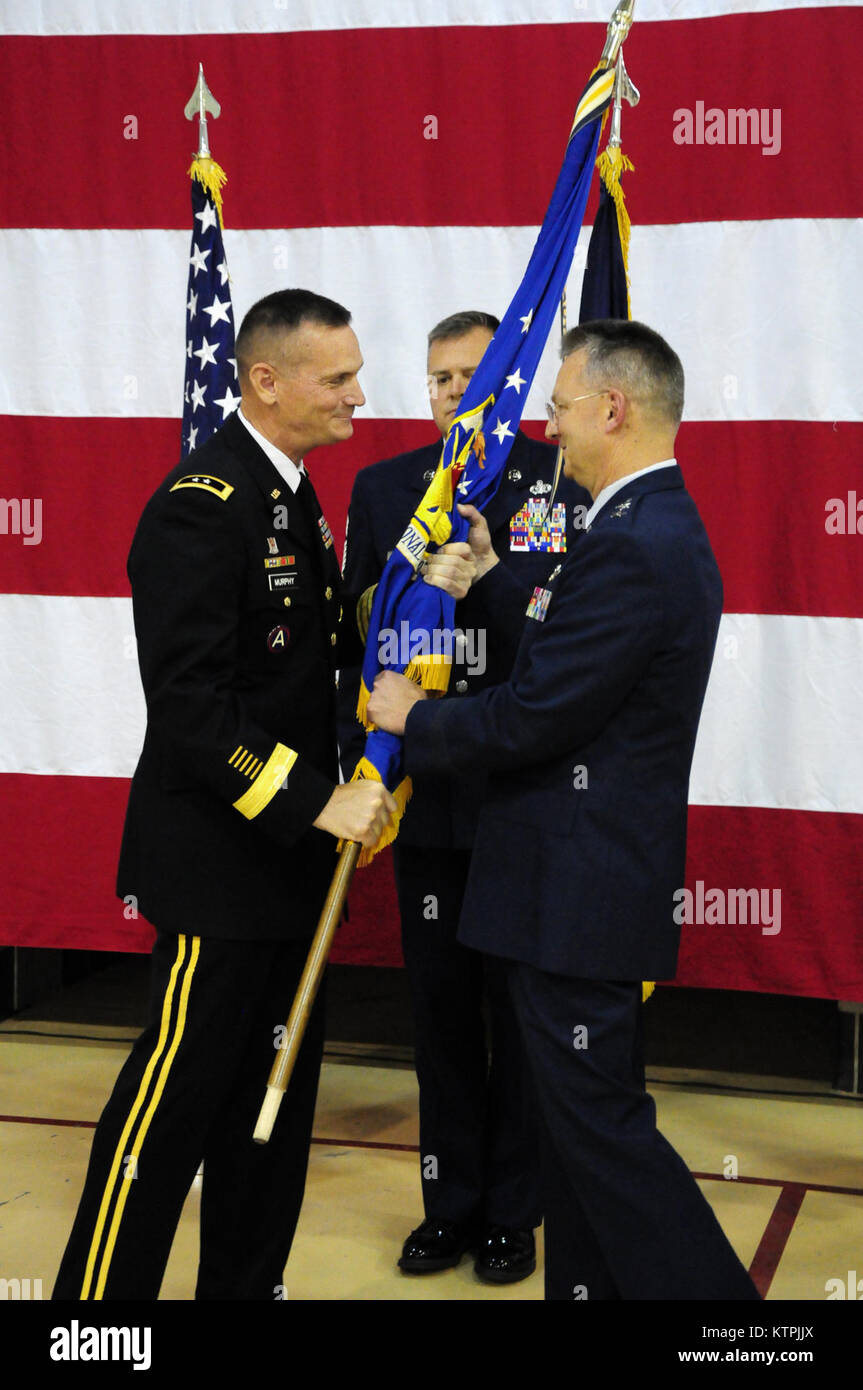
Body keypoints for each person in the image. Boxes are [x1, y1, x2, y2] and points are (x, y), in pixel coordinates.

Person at [52, 288, 472, 1302]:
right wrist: (311, 802)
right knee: (162, 1126)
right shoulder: (204, 503)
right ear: (265, 380)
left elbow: (316, 651)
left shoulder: (290, 496)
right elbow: (191, 709)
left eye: (358, 373)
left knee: (266, 1122)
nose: (360, 395)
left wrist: (425, 591)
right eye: (337, 379)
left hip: (287, 879)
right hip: (216, 878)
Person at [367, 319, 761, 1301]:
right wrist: (499, 577)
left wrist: (412, 716)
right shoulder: (641, 527)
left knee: (604, 1142)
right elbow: (564, 661)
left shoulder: (633, 541)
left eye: (557, 406)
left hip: (573, 895)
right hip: (573, 886)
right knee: (581, 1153)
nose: (544, 428)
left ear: (612, 408)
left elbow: (534, 718)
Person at [339, 310, 591, 1282]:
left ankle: (510, 1213)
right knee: (439, 1011)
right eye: (440, 378)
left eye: (473, 378)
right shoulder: (384, 487)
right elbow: (354, 641)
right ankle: (448, 1204)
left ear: (511, 385)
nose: (455, 395)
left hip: (521, 795)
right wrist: (360, 765)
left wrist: (488, 576)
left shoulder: (556, 484)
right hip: (425, 799)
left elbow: (566, 648)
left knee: (514, 1013)